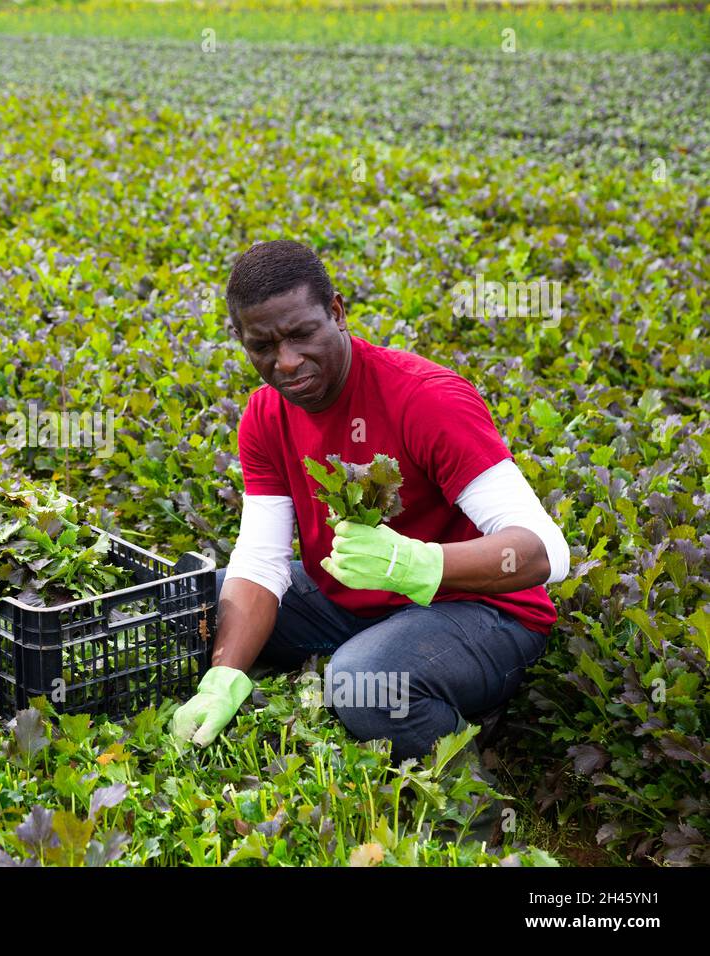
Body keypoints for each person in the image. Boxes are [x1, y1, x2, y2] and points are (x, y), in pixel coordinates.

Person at [173, 240, 569, 770]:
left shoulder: (425, 398)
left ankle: (472, 807)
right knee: (194, 603)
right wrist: (223, 676)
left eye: (301, 334)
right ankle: (388, 654)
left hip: (483, 610)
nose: (287, 363)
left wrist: (416, 563)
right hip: (354, 597)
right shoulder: (266, 415)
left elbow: (547, 554)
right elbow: (261, 561)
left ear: (337, 312)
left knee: (362, 682)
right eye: (262, 346)